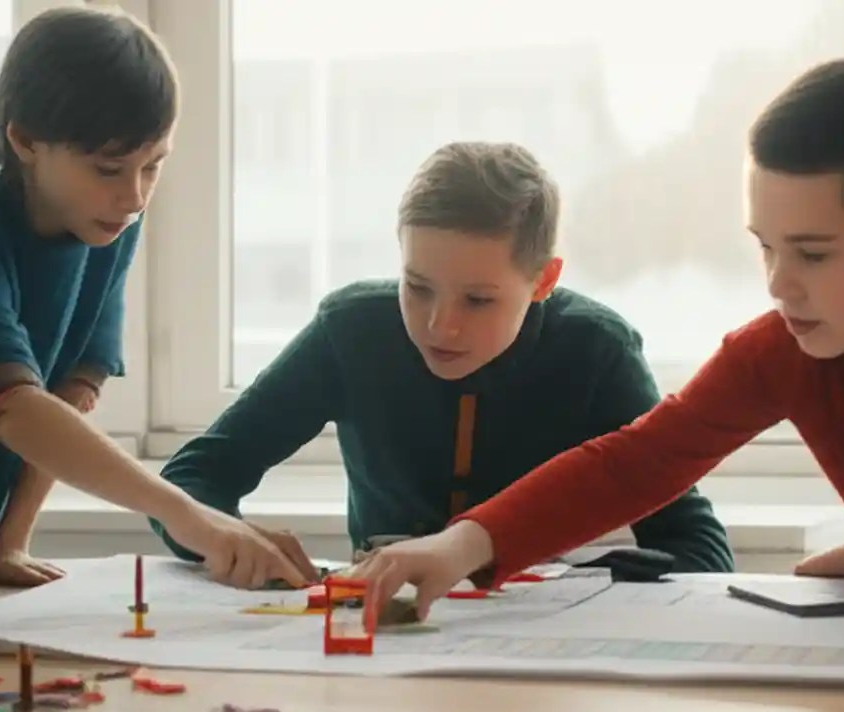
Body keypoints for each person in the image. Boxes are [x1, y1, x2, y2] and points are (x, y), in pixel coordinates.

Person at [353, 58, 844, 617]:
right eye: (765, 247)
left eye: (813, 254)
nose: (778, 284)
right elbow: (638, 460)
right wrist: (459, 546)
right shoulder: (785, 346)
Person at [0, 6, 311, 591]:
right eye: (109, 168)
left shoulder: (104, 227)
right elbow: (11, 406)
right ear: (25, 139)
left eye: (152, 166)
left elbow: (69, 395)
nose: (134, 196)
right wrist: (188, 514)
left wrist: (11, 542)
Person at [152, 141, 732, 573]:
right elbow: (192, 477)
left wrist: (563, 579)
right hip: (382, 649)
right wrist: (225, 537)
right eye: (417, 286)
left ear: (543, 281)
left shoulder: (597, 350)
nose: (439, 325)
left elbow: (699, 549)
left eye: (478, 299)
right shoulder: (351, 332)